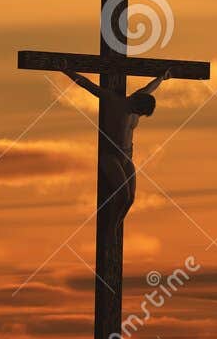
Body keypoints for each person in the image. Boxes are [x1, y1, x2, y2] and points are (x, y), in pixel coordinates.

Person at [63, 69, 171, 225]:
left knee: (130, 198)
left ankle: (115, 226)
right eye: (138, 111)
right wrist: (66, 71)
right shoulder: (113, 101)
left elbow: (150, 87)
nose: (138, 114)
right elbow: (88, 85)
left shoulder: (138, 103)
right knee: (123, 195)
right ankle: (111, 228)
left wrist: (161, 77)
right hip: (111, 156)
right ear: (137, 102)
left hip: (127, 157)